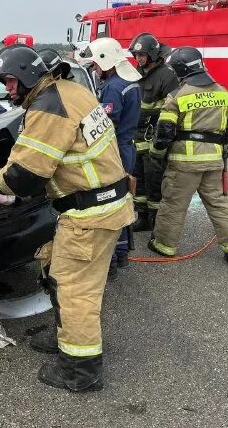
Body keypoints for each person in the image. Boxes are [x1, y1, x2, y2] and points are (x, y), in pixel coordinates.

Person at [0, 44, 133, 392]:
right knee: (55, 270)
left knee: (75, 290)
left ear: (27, 75)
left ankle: (80, 371)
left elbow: (25, 176)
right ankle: (63, 335)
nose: (7, 89)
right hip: (103, 204)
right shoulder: (71, 91)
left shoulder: (48, 108)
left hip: (90, 214)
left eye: (9, 81)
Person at [147, 46, 228, 267]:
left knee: (174, 203)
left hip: (183, 165)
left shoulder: (177, 96)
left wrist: (157, 153)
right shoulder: (223, 93)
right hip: (214, 162)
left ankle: (164, 246)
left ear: (181, 70)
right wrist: (219, 148)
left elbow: (164, 132)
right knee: (220, 203)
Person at [78, 38, 142, 279]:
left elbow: (105, 124)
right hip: (127, 148)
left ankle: (111, 263)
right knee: (123, 200)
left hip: (115, 151)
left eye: (95, 66)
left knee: (109, 204)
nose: (95, 70)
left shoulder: (113, 87)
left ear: (105, 62)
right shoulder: (131, 83)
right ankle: (123, 252)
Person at [128, 33, 179, 232]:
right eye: (136, 55)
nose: (138, 59)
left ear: (152, 54)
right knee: (137, 177)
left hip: (154, 136)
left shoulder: (167, 75)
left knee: (155, 180)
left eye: (142, 55)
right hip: (137, 136)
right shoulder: (137, 72)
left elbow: (174, 107)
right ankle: (142, 216)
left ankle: (157, 220)